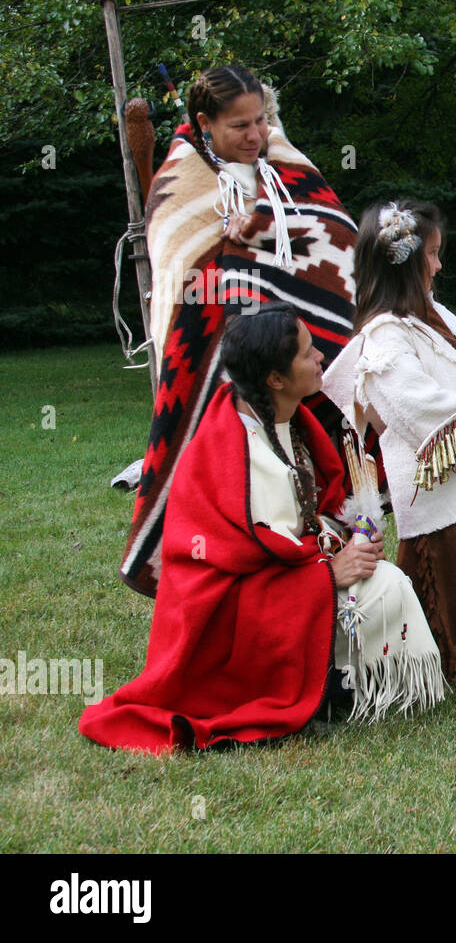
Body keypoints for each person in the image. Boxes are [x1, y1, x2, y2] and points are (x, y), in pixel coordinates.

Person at [81, 304, 444, 753]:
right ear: (275, 379)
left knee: (382, 580)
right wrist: (330, 571)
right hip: (226, 614)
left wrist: (347, 540)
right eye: (307, 354)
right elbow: (246, 558)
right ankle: (331, 687)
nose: (321, 358)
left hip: (277, 584)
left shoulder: (285, 422)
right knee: (384, 585)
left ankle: (345, 681)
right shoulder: (230, 450)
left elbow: (304, 520)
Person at [123, 63, 357, 597]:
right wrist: (239, 253)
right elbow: (182, 269)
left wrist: (259, 227)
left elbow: (334, 234)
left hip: (300, 355)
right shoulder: (180, 180)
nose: (255, 135)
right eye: (239, 126)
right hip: (220, 366)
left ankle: (319, 583)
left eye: (260, 121)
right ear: (205, 123)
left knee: (311, 478)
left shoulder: (281, 160)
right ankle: (243, 595)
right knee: (239, 490)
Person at [322, 200, 456, 684]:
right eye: (433, 255)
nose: (439, 266)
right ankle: (430, 651)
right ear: (404, 264)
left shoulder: (430, 312)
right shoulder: (383, 339)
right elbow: (417, 408)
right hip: (428, 482)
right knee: (440, 557)